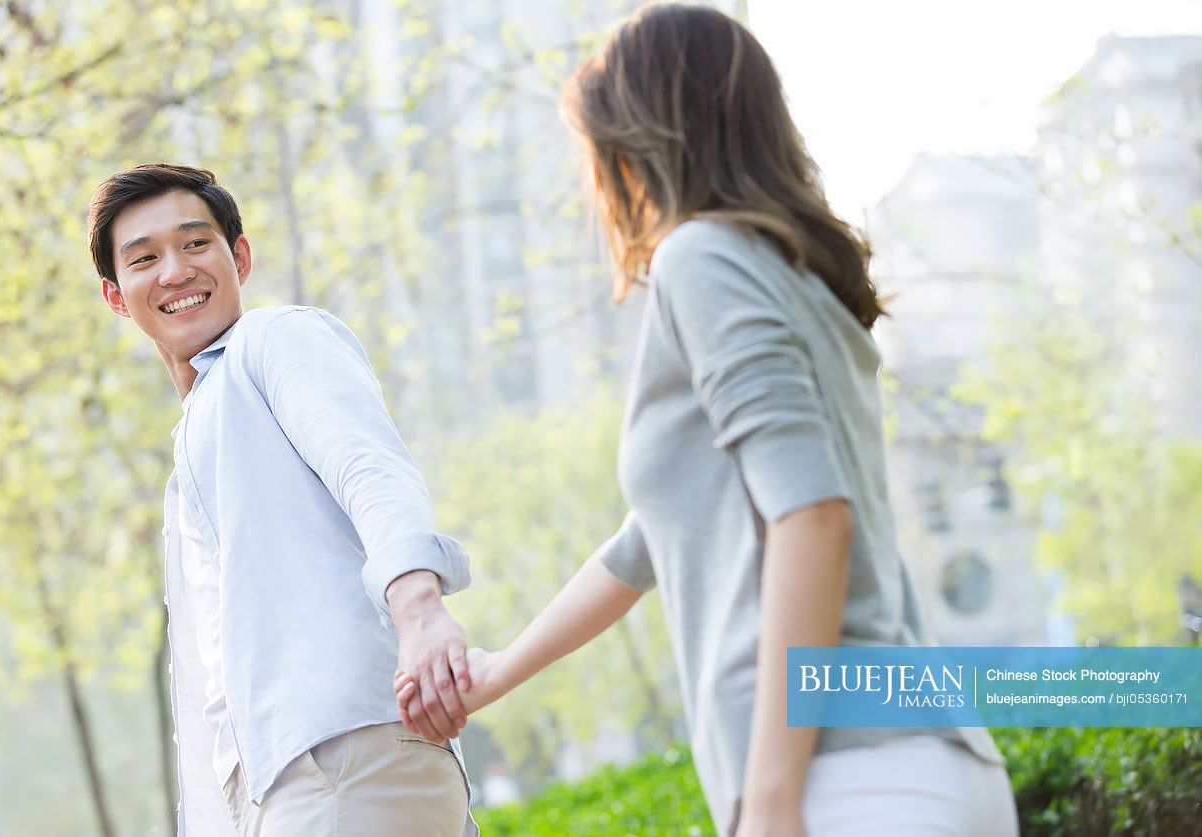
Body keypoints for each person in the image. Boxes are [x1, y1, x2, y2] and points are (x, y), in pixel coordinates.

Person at [395, 4, 1018, 836]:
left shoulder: (703, 259)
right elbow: (651, 537)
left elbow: (813, 517)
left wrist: (768, 800)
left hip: (844, 777)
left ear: (641, 137)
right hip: (913, 765)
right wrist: (499, 670)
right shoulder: (792, 274)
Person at [89, 164, 477, 836]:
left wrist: (418, 607)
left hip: (340, 753)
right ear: (117, 296)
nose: (175, 271)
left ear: (239, 255)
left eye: (195, 244)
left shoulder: (274, 341)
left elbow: (368, 466)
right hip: (289, 784)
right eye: (145, 258)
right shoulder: (194, 445)